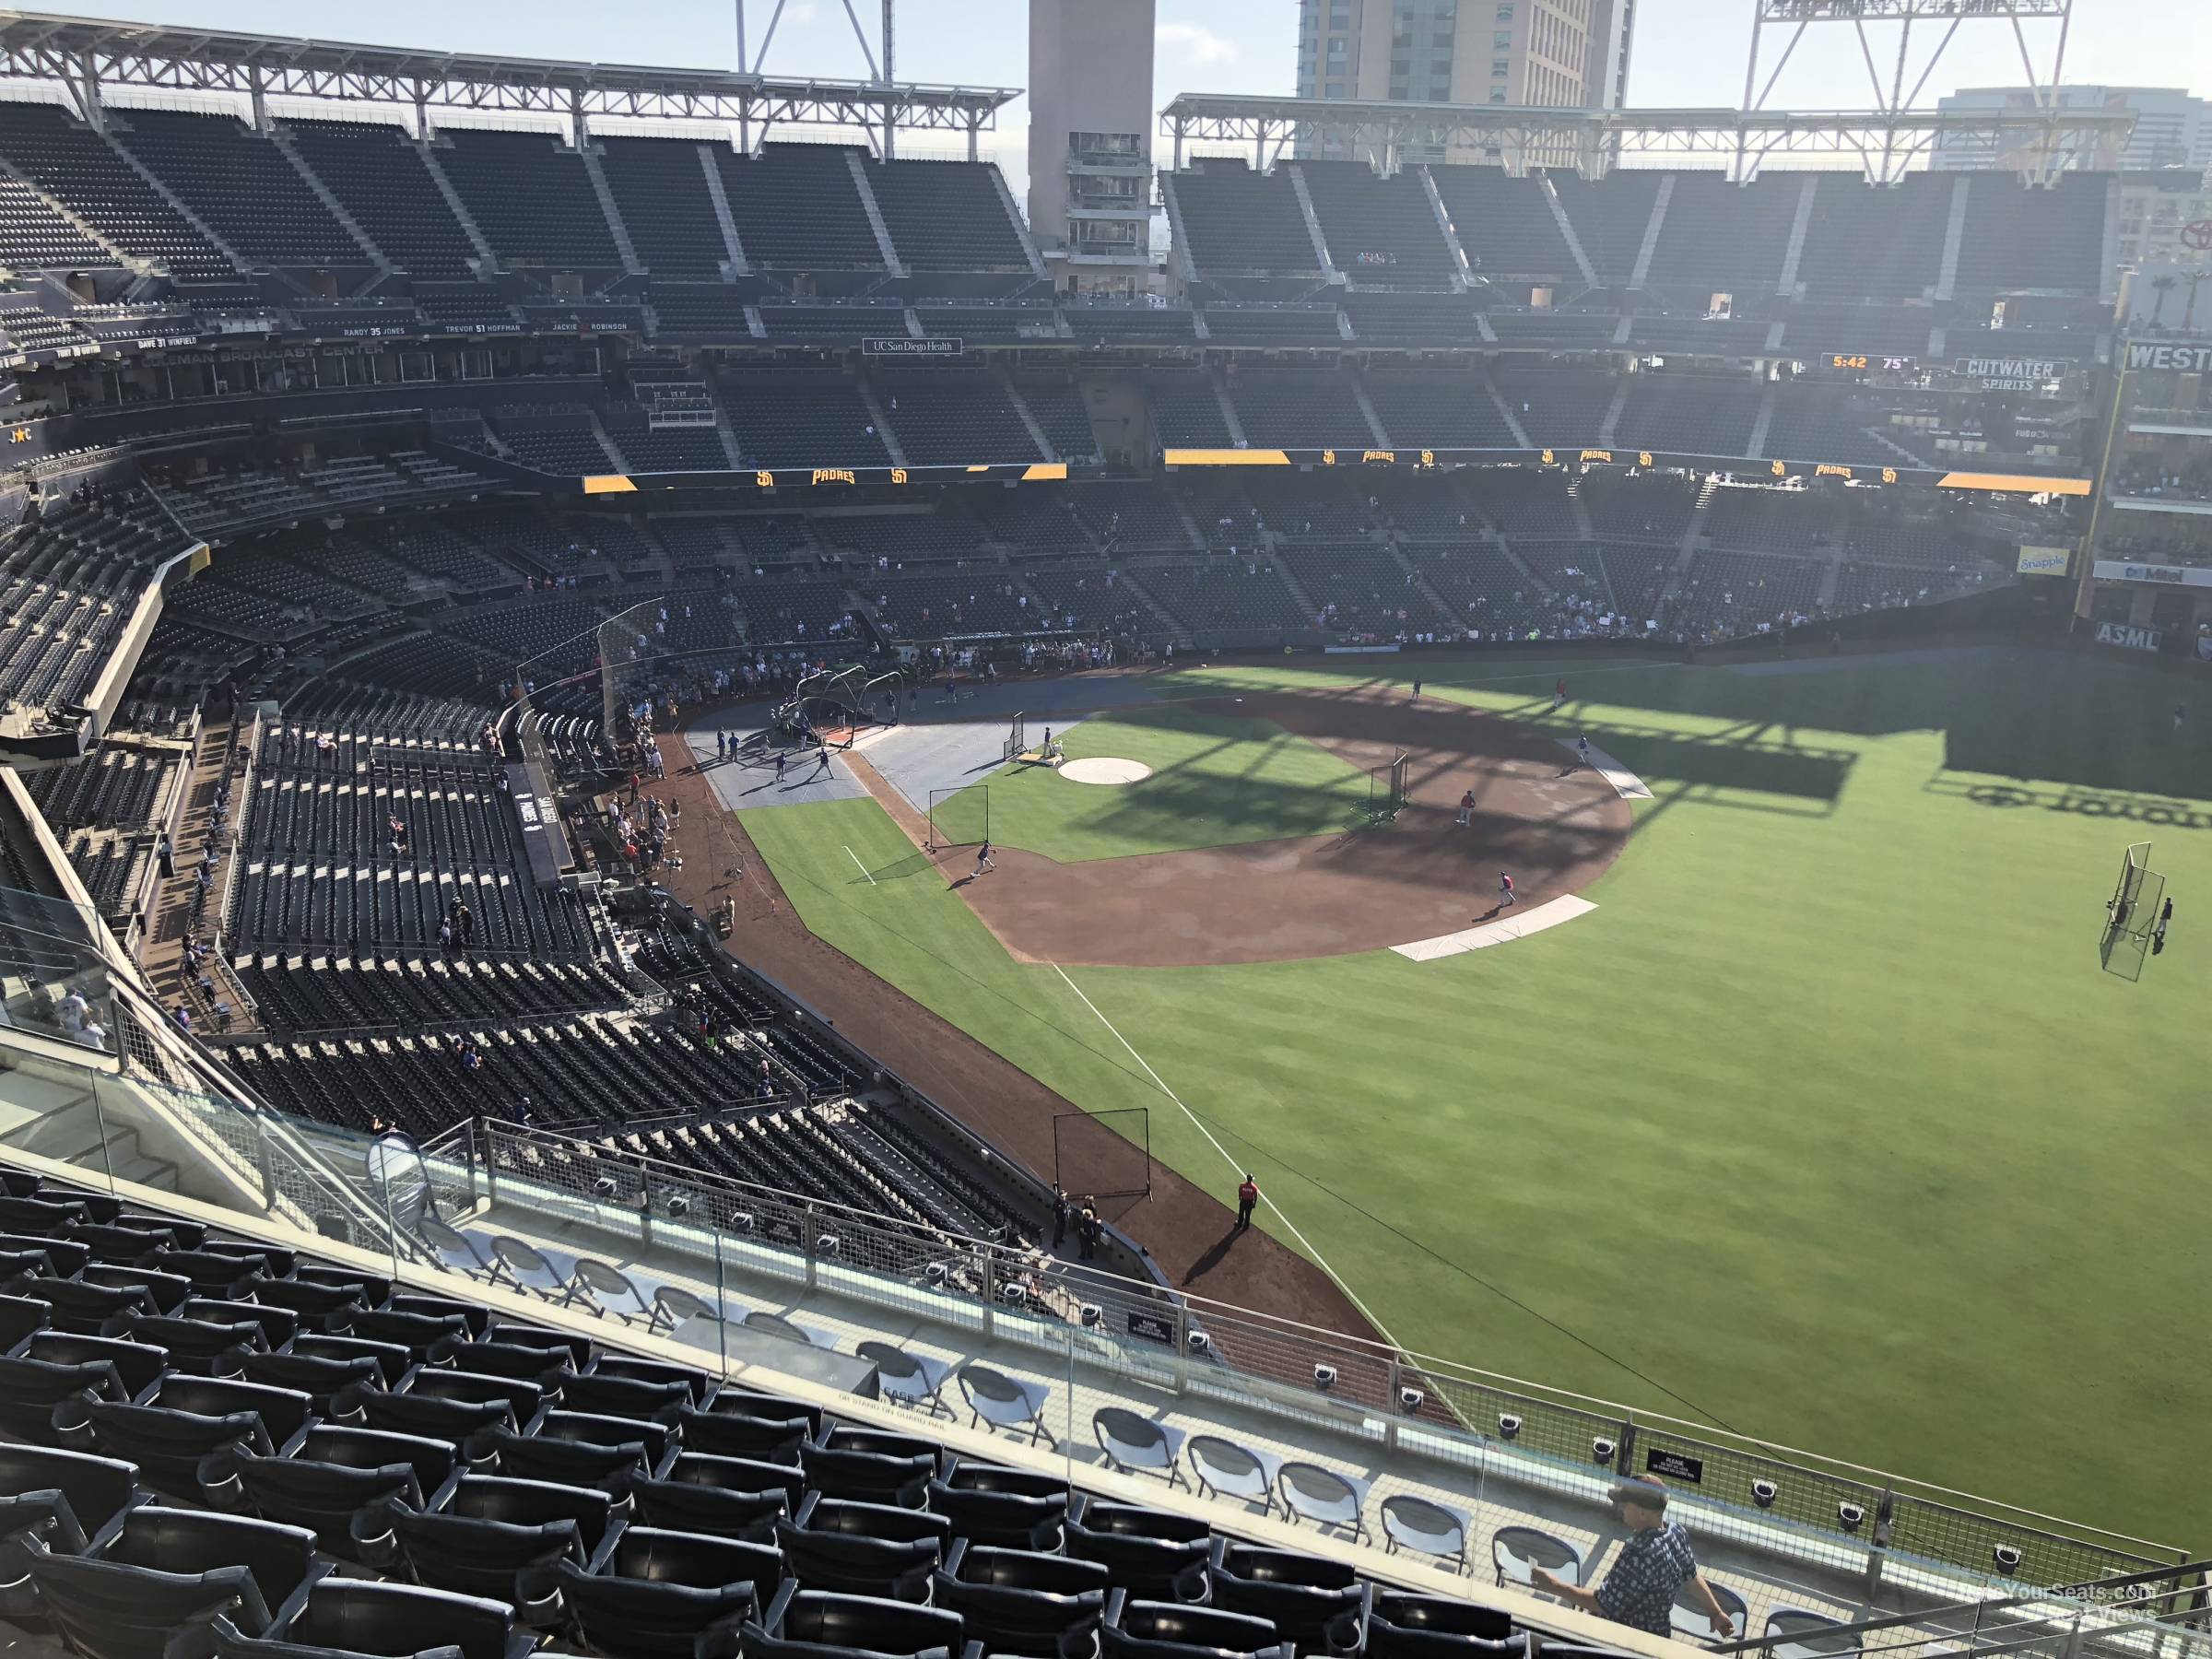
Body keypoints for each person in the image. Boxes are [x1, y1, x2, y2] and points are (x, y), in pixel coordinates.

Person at [1532, 1478, 1734, 1640]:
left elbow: (1603, 1604)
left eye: (1625, 1504)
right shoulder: (1676, 1533)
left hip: (1626, 1640)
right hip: (1659, 1637)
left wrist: (1553, 1585)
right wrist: (1715, 1613)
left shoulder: (1639, 1552)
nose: (1620, 1508)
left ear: (1643, 1512)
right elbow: (1692, 1577)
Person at [1051, 1183, 1069, 1250]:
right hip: (1058, 1219)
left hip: (1063, 1218)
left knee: (1062, 1230)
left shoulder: (1065, 1201)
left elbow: (1066, 1208)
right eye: (1062, 1196)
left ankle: (1060, 1239)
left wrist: (1067, 1216)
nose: (1064, 1197)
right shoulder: (1056, 1203)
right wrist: (1055, 1220)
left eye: (1064, 1196)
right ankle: (1054, 1243)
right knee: (1057, 1231)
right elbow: (1053, 1211)